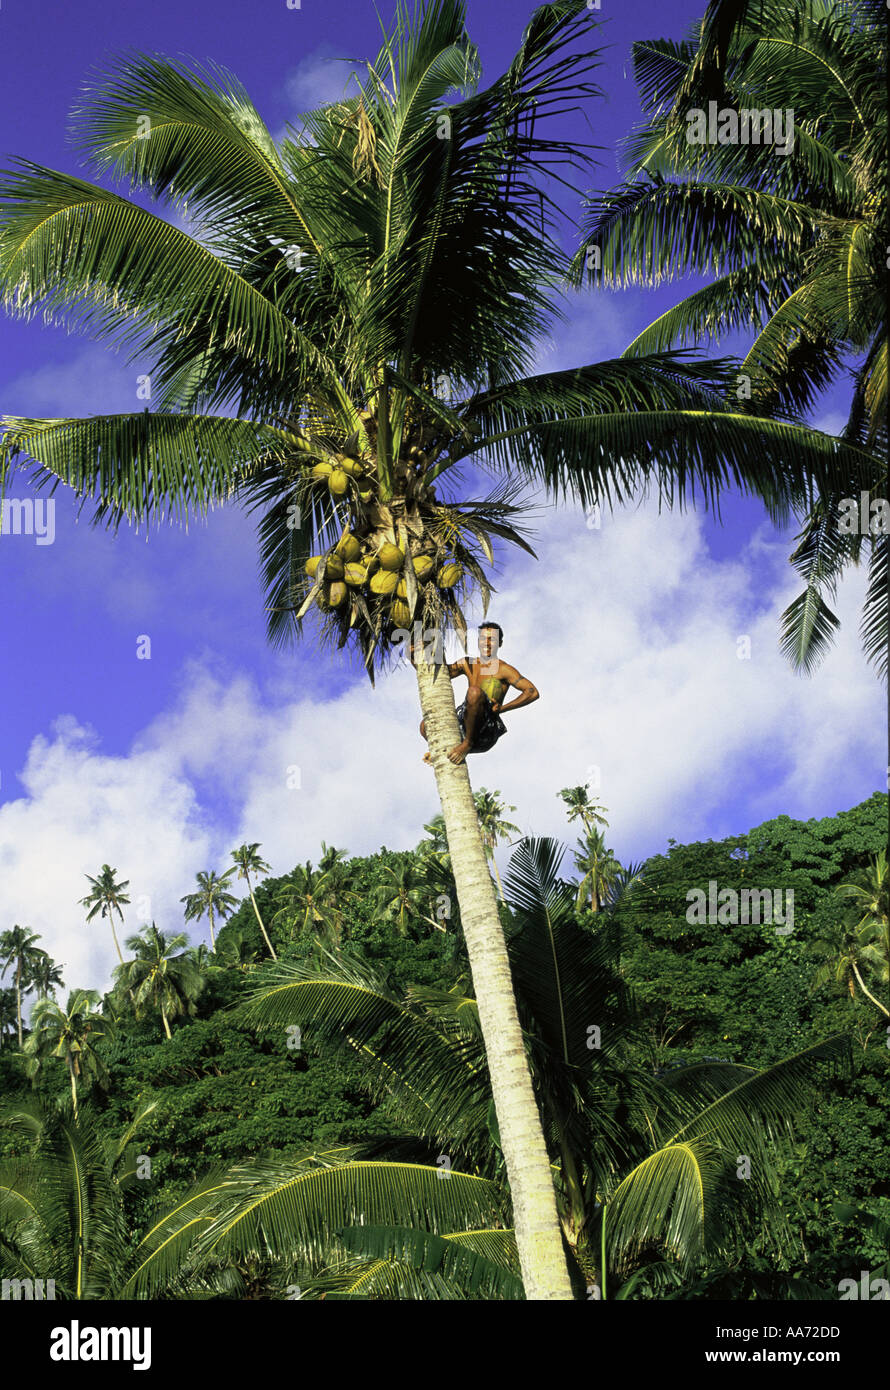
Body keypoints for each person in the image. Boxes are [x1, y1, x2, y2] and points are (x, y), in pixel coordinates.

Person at [416, 622, 539, 765]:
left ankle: (467, 744)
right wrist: (419, 653)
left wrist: (502, 709)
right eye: (482, 639)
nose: (486, 643)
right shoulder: (468, 663)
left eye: (491, 639)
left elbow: (532, 692)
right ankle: (441, 751)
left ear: (500, 643)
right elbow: (438, 673)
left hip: (486, 730)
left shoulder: (504, 669)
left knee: (474, 692)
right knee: (425, 725)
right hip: (465, 720)